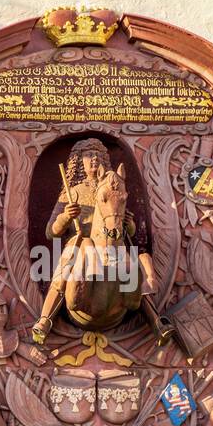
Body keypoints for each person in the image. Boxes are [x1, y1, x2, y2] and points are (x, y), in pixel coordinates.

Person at [32, 138, 173, 344]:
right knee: (66, 265)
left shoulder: (113, 186)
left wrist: (129, 223)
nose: (94, 160)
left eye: (98, 156)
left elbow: (129, 230)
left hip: (110, 243)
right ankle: (45, 320)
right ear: (79, 161)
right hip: (80, 244)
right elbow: (50, 232)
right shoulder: (74, 191)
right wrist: (66, 216)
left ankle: (156, 321)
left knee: (131, 264)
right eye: (89, 156)